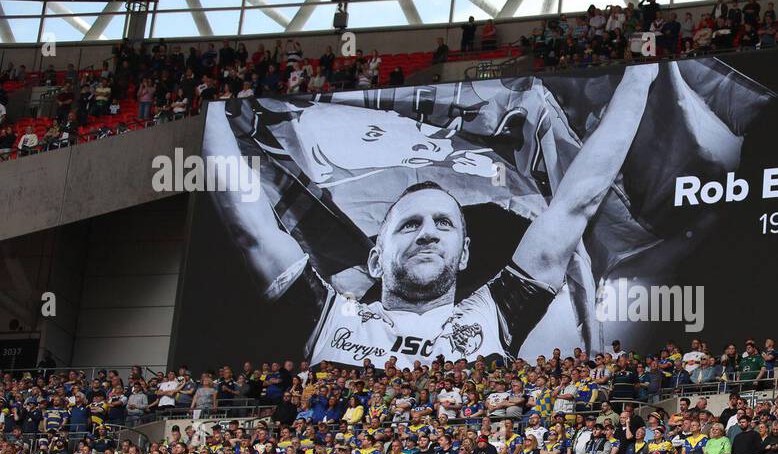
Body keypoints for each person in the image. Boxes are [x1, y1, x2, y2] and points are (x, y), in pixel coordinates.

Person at [208, 64, 660, 368]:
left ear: (464, 255)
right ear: (374, 258)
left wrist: (638, 81)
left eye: (444, 223)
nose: (428, 233)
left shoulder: (493, 315)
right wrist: (208, 108)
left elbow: (576, 200)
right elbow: (251, 227)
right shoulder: (328, 317)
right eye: (410, 224)